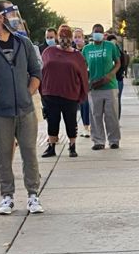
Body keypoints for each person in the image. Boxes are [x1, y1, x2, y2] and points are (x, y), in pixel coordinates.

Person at [0, 1, 45, 216]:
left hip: (25, 109)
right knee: (3, 155)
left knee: (29, 152)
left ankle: (33, 195)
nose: (15, 17)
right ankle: (7, 196)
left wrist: (28, 92)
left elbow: (36, 71)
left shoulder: (23, 42)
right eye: (10, 14)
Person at [39, 22, 89, 158]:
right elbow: (41, 71)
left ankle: (72, 146)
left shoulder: (77, 56)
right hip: (50, 93)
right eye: (61, 36)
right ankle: (51, 146)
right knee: (52, 121)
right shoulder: (49, 52)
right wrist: (41, 90)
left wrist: (83, 93)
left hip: (70, 94)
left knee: (70, 121)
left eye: (67, 37)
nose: (64, 40)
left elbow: (83, 75)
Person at [82, 23, 122, 150]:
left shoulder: (111, 46)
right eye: (95, 31)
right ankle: (98, 141)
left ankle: (114, 140)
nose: (97, 34)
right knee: (95, 115)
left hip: (110, 86)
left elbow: (118, 62)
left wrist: (111, 74)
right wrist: (86, 82)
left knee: (111, 115)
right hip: (94, 87)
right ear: (92, 33)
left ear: (103, 34)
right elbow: (82, 67)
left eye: (100, 31)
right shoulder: (86, 49)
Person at [72, 27, 91, 136]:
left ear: (83, 38)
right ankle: (82, 127)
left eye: (79, 37)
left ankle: (87, 127)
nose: (77, 39)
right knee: (77, 106)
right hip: (75, 82)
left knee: (86, 104)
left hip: (87, 80)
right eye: (75, 37)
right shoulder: (72, 51)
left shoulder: (87, 49)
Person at [109, 33, 129, 117]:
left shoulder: (120, 54)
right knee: (110, 101)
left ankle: (117, 118)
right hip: (109, 81)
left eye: (115, 43)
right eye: (111, 43)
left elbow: (122, 64)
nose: (114, 45)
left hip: (118, 79)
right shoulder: (106, 54)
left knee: (117, 100)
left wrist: (122, 73)